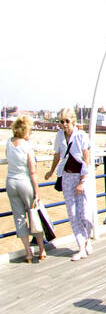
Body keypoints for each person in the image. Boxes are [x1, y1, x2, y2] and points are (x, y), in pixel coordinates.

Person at [45, 108, 96, 260]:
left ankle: (87, 240)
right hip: (67, 176)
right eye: (61, 121)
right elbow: (57, 154)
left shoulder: (81, 136)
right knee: (73, 214)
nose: (64, 124)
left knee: (84, 213)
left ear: (73, 121)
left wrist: (82, 181)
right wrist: (51, 171)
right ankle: (81, 246)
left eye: (67, 121)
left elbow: (86, 159)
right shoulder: (59, 135)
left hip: (81, 176)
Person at [5, 113, 46, 263]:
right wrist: (37, 191)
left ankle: (28, 252)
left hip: (11, 182)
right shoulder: (27, 146)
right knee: (33, 214)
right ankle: (41, 249)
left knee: (19, 217)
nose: (31, 133)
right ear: (24, 131)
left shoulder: (9, 143)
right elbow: (33, 171)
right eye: (30, 130)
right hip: (25, 182)